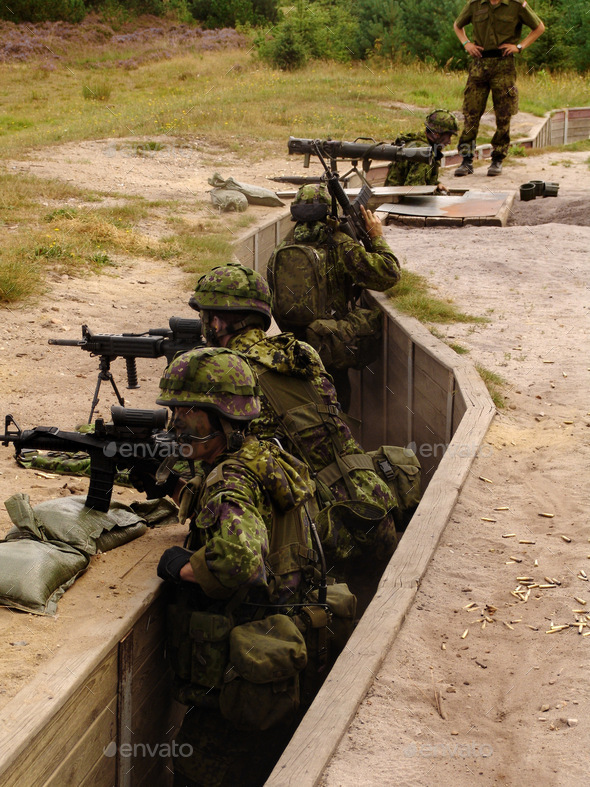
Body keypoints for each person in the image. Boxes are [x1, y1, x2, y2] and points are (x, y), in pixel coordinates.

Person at [147, 346, 319, 786]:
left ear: (217, 418)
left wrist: (183, 568)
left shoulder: (230, 480)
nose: (177, 422)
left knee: (200, 773)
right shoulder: (270, 458)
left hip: (238, 677)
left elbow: (240, 562)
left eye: (185, 411)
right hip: (281, 657)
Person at [188, 262, 398, 588]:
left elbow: (201, 454)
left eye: (205, 317)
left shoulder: (227, 374)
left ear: (215, 321)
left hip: (326, 537)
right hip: (373, 512)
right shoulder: (301, 352)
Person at [267, 183, 401, 411]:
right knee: (336, 411)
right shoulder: (340, 245)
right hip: (330, 347)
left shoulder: (282, 248)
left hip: (291, 347)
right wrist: (376, 237)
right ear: (328, 212)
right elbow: (389, 274)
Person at [453, 0, 545, 177]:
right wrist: (467, 44)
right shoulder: (475, 4)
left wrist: (520, 46)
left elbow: (539, 27)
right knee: (471, 113)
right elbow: (457, 25)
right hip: (479, 64)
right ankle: (466, 160)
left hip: (504, 64)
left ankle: (497, 159)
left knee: (503, 114)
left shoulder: (516, 5)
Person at [384, 109, 458, 193]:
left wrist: (436, 185)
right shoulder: (423, 154)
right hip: (398, 202)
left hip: (396, 198)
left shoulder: (418, 143)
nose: (449, 141)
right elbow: (414, 193)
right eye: (449, 136)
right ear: (437, 134)